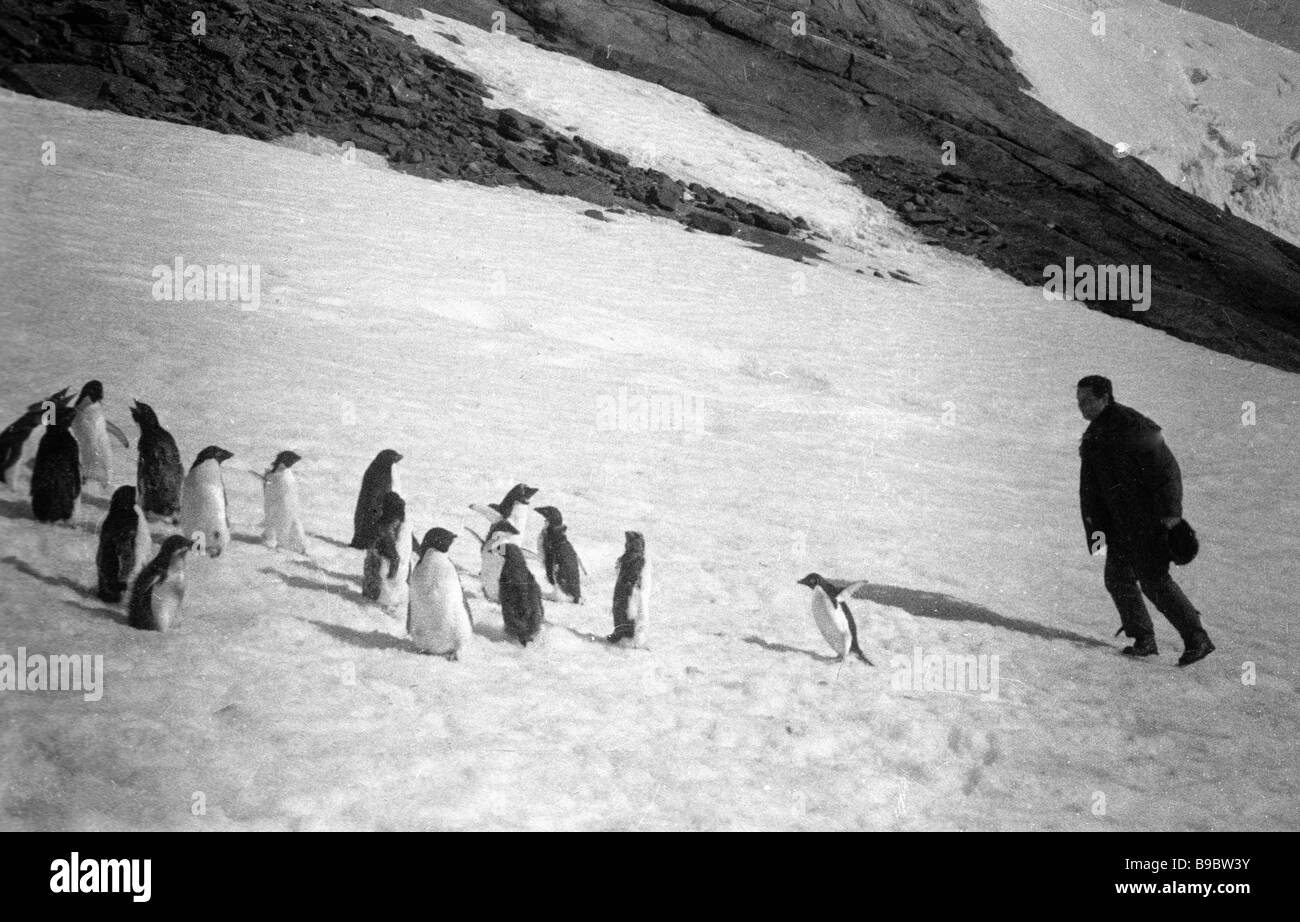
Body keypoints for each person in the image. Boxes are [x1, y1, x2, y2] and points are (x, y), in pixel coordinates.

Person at [1076, 375, 1215, 666]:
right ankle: (1144, 639)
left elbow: (1167, 470)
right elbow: (1093, 491)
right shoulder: (1094, 434)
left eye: (1087, 399)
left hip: (1148, 521)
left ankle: (1197, 638)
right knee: (1117, 579)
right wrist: (1098, 532)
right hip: (1119, 526)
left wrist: (1170, 515)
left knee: (1154, 581)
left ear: (1105, 397)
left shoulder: (1132, 426)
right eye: (1078, 400)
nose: (1081, 405)